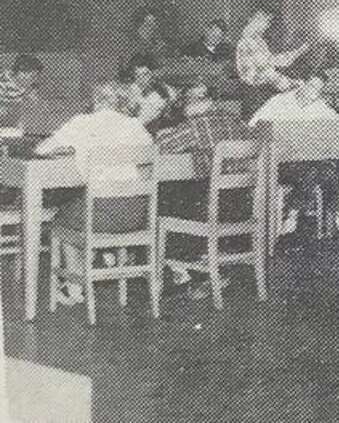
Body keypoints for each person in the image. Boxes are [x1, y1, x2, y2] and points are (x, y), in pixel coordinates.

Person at [36, 82, 154, 305]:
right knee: (80, 212)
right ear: (123, 103)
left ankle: (74, 289)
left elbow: (41, 150)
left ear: (96, 101)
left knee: (62, 220)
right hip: (135, 215)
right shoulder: (135, 126)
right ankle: (97, 265)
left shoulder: (82, 122)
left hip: (100, 212)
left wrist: (70, 147)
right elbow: (147, 163)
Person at [154, 80, 253, 292]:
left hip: (210, 211)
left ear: (191, 104)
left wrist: (164, 132)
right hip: (241, 205)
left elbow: (159, 147)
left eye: (185, 104)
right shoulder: (236, 120)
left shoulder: (196, 126)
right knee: (182, 192)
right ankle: (203, 260)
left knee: (164, 198)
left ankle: (183, 269)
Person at [247, 64, 339, 236]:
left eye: (319, 90)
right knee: (317, 169)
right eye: (312, 87)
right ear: (301, 83)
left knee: (327, 167)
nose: (315, 93)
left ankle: (293, 214)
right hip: (279, 164)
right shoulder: (279, 102)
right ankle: (336, 210)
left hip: (308, 165)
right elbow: (253, 126)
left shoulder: (319, 105)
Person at [235, 9, 309, 119]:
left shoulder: (259, 41)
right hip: (256, 97)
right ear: (252, 20)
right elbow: (265, 73)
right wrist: (291, 84)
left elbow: (274, 61)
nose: (267, 24)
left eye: (268, 21)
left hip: (261, 93)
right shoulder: (248, 42)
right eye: (264, 20)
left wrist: (298, 52)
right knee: (259, 132)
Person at [121, 53, 179, 132]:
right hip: (134, 127)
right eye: (138, 76)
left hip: (145, 131)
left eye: (145, 75)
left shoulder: (162, 94)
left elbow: (141, 122)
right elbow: (127, 110)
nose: (142, 80)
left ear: (152, 74)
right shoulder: (134, 88)